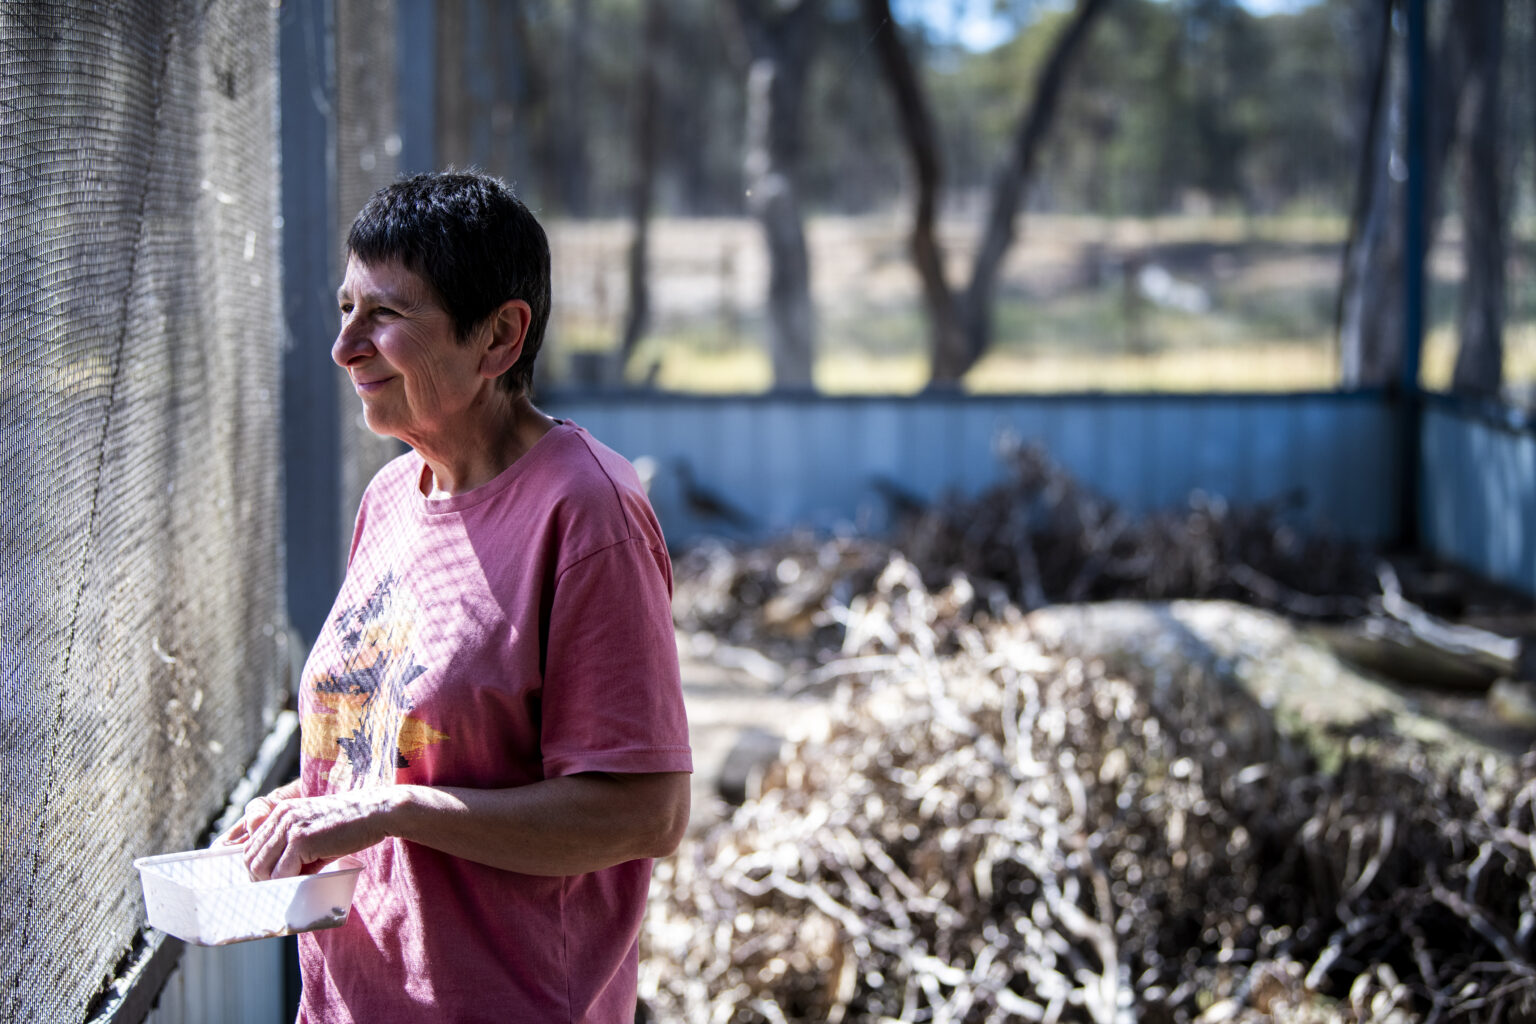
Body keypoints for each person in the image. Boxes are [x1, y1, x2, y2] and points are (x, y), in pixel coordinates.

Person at [223, 170, 692, 1023]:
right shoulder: (394, 495)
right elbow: (399, 752)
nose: (345, 348)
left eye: (386, 316)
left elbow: (645, 814)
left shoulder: (587, 513)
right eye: (344, 309)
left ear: (500, 338)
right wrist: (306, 808)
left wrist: (393, 810)